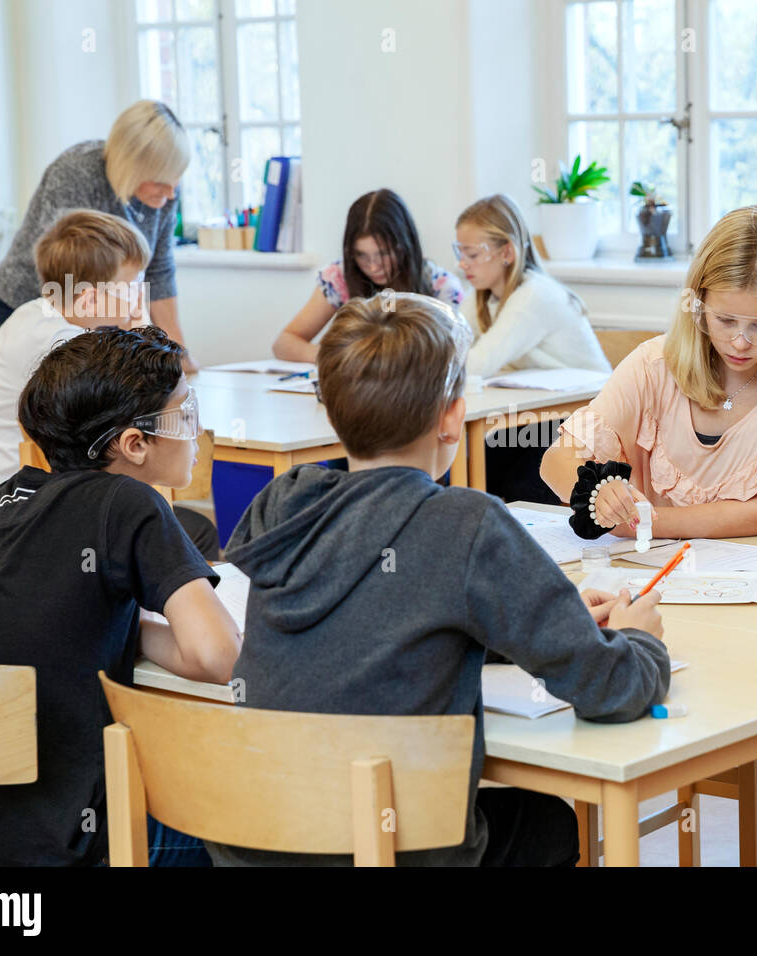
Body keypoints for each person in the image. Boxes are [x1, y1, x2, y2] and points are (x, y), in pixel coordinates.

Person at [206, 292, 670, 866]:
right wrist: (640, 639)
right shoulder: (466, 523)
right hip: (390, 850)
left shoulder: (285, 502)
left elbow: (394, 611)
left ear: (330, 412)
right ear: (454, 417)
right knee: (550, 820)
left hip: (256, 842)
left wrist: (530, 611)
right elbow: (610, 689)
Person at [0, 326, 242, 865]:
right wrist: (125, 623)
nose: (199, 430)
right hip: (76, 847)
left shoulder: (8, 497)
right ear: (134, 444)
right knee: (247, 825)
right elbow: (219, 656)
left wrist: (91, 614)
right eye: (185, 416)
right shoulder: (131, 504)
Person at [540, 204, 757, 539]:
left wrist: (640, 523)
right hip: (651, 571)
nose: (740, 343)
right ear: (697, 304)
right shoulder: (654, 364)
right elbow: (556, 460)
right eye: (725, 321)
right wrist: (595, 495)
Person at [0, 208, 219, 559]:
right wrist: (138, 332)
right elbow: (151, 395)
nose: (139, 298)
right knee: (190, 533)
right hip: (5, 520)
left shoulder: (34, 314)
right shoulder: (64, 344)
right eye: (132, 287)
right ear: (89, 299)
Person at [0, 100, 198, 372]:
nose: (170, 194)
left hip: (92, 316)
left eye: (176, 180)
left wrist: (178, 356)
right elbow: (66, 281)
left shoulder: (167, 193)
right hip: (35, 306)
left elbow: (159, 272)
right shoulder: (77, 173)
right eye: (159, 183)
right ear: (130, 166)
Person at [272, 188, 462, 363]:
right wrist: (338, 358)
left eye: (384, 254)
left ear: (405, 246)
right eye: (361, 255)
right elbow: (283, 343)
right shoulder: (339, 277)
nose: (373, 267)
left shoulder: (442, 288)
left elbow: (450, 356)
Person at [455, 193, 609, 377]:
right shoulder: (481, 294)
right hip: (549, 398)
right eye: (460, 253)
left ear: (507, 253)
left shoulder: (535, 296)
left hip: (590, 399)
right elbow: (449, 345)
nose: (462, 264)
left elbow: (477, 365)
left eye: (472, 255)